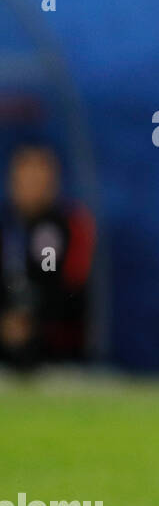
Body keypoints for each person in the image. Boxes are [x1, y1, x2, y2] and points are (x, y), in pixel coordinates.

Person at [0, 144, 95, 369]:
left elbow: (65, 286)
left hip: (55, 350)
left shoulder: (64, 227)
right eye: (25, 176)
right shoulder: (7, 225)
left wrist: (29, 322)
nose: (32, 184)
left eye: (39, 176)